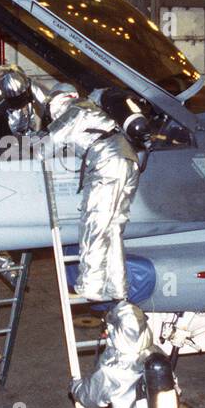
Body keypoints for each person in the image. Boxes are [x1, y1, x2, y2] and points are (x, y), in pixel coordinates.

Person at [43, 83, 140, 301]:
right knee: (113, 229)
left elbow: (46, 146)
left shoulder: (74, 110)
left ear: (57, 101)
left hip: (107, 164)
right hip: (129, 161)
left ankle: (91, 285)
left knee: (94, 225)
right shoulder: (93, 107)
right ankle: (117, 287)